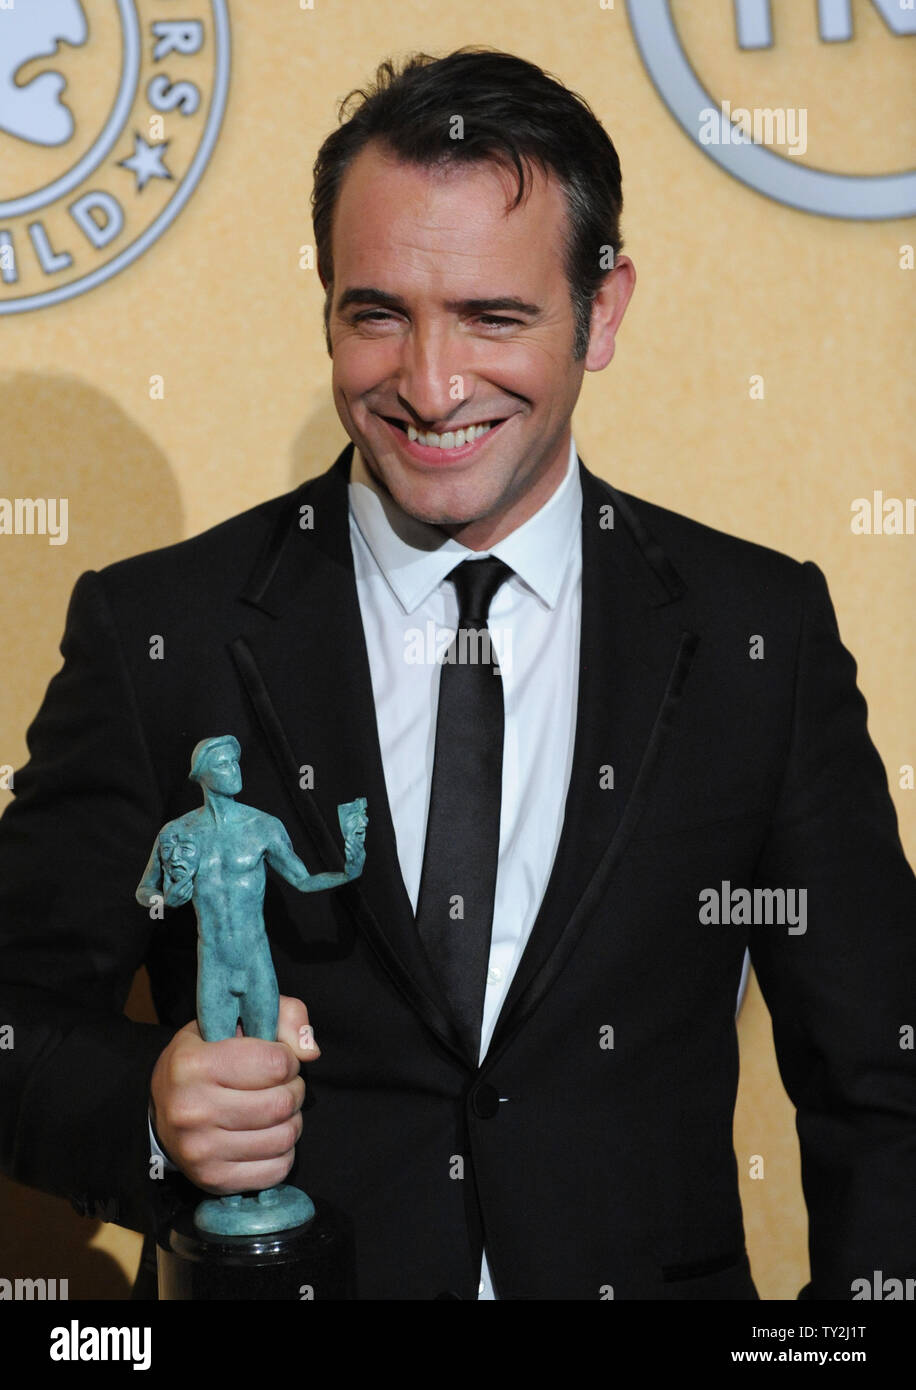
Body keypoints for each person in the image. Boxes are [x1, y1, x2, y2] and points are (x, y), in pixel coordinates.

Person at [0, 47, 914, 1302]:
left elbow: (883, 1076)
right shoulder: (161, 628)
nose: (429, 387)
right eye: (376, 313)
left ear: (604, 309)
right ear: (325, 302)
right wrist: (151, 1112)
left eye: (493, 317)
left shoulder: (761, 630)